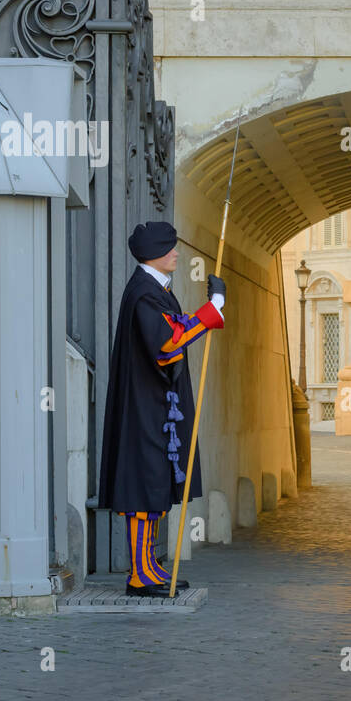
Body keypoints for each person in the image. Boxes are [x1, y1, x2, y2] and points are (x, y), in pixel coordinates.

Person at [98, 221, 227, 597]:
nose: (176, 252)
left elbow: (176, 328)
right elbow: (169, 343)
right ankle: (139, 574)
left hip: (158, 407)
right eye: (170, 247)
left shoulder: (156, 291)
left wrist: (206, 314)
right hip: (144, 408)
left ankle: (149, 565)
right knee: (142, 488)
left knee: (154, 487)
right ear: (154, 251)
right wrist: (213, 309)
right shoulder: (144, 294)